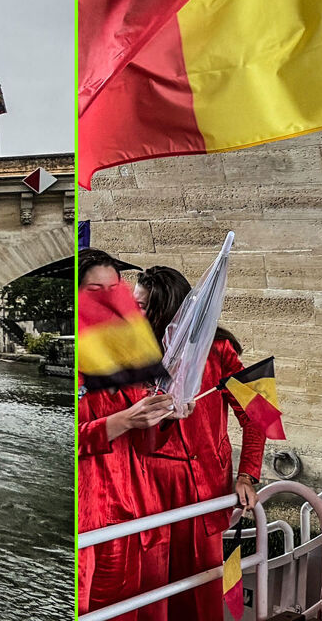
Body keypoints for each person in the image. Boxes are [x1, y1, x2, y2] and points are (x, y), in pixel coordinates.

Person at [133, 265, 265, 621]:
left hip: (205, 489)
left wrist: (247, 475)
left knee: (202, 594)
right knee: (152, 594)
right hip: (150, 491)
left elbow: (256, 413)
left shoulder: (218, 348)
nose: (134, 313)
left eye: (142, 306)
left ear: (166, 308)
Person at [77, 250, 173, 620]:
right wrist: (121, 422)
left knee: (125, 608)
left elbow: (147, 445)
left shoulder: (128, 356)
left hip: (132, 511)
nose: (109, 298)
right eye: (95, 289)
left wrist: (164, 417)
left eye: (114, 288)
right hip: (91, 515)